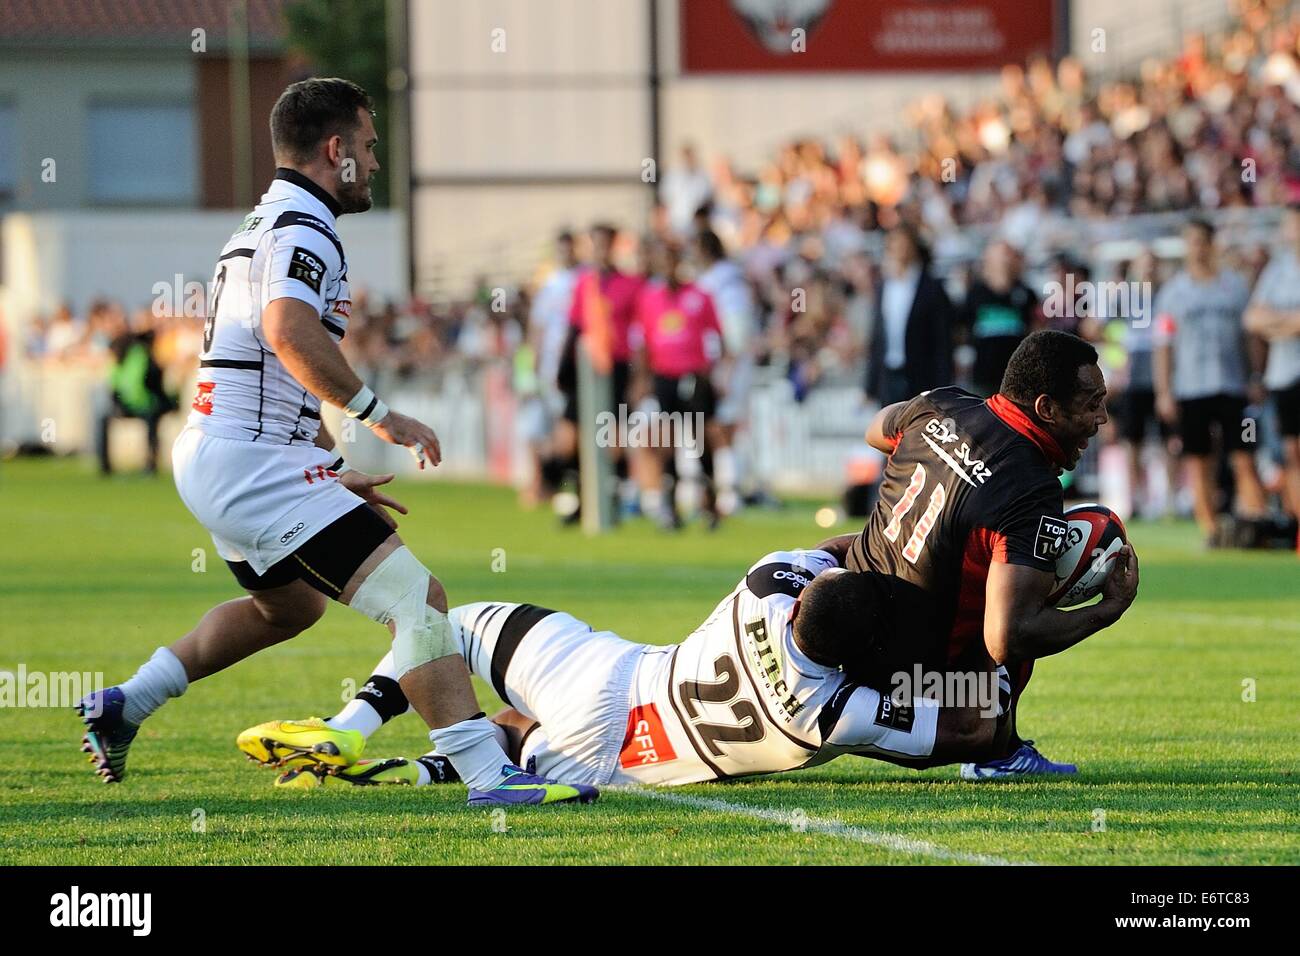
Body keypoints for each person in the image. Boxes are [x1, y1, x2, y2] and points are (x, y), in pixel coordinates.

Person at [76, 78, 594, 807]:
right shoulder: (304, 227)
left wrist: (324, 466)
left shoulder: (263, 224)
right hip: (251, 461)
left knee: (286, 610)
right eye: (371, 146)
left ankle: (125, 703)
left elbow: (270, 361)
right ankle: (488, 775)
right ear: (335, 150)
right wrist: (383, 416)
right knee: (418, 599)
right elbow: (290, 333)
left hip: (226, 452)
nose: (377, 162)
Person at [238, 546, 1000, 789]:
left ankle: (351, 726)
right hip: (626, 760)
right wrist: (1006, 640)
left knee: (451, 624)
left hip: (606, 675)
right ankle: (421, 773)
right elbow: (974, 731)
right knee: (512, 745)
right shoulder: (831, 712)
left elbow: (835, 556)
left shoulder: (767, 588)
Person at [848, 330, 1139, 778]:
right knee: (1029, 592)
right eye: (1090, 403)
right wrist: (1108, 610)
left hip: (852, 618)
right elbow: (1009, 638)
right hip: (910, 675)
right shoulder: (1031, 486)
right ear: (1045, 408)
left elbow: (876, 430)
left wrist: (946, 463)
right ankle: (997, 754)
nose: (1101, 417)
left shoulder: (942, 404)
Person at [1154, 218, 1268, 542]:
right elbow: (1164, 345)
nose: (1198, 249)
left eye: (1202, 241)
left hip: (1233, 385)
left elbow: (1250, 337)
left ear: (1211, 244)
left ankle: (1255, 522)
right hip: (1191, 388)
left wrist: (1256, 376)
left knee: (1244, 455)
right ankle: (1211, 528)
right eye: (1191, 242)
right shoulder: (1173, 292)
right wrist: (1164, 391)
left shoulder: (1234, 288)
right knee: (1198, 459)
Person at [632, 239, 725, 529]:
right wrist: (642, 379)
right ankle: (670, 507)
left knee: (700, 441)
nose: (667, 267)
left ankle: (710, 502)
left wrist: (715, 373)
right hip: (665, 376)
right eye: (663, 261)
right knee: (667, 441)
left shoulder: (699, 295)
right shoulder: (649, 297)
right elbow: (643, 342)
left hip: (694, 375)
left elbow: (716, 338)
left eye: (672, 260)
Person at [1244, 204, 1300, 536]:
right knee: (1291, 450)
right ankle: (1296, 523)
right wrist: (1291, 324)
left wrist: (1276, 322)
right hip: (1284, 373)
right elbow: (1253, 319)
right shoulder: (1278, 271)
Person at [864, 223, 954, 407]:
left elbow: (942, 340)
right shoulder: (884, 286)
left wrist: (943, 387)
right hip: (889, 376)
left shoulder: (931, 288)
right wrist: (870, 385)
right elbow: (878, 337)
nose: (898, 250)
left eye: (903, 244)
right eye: (893, 244)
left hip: (922, 377)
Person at [957, 240, 1041, 397]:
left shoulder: (1026, 293)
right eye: (1002, 255)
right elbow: (961, 328)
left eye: (1009, 255)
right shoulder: (975, 294)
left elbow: (1036, 329)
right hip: (984, 374)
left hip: (1018, 376)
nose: (1006, 260)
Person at [98, 311, 177, 475]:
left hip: (143, 402)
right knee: (106, 419)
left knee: (151, 418)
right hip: (139, 402)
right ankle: (111, 465)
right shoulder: (134, 353)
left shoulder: (143, 352)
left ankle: (149, 463)